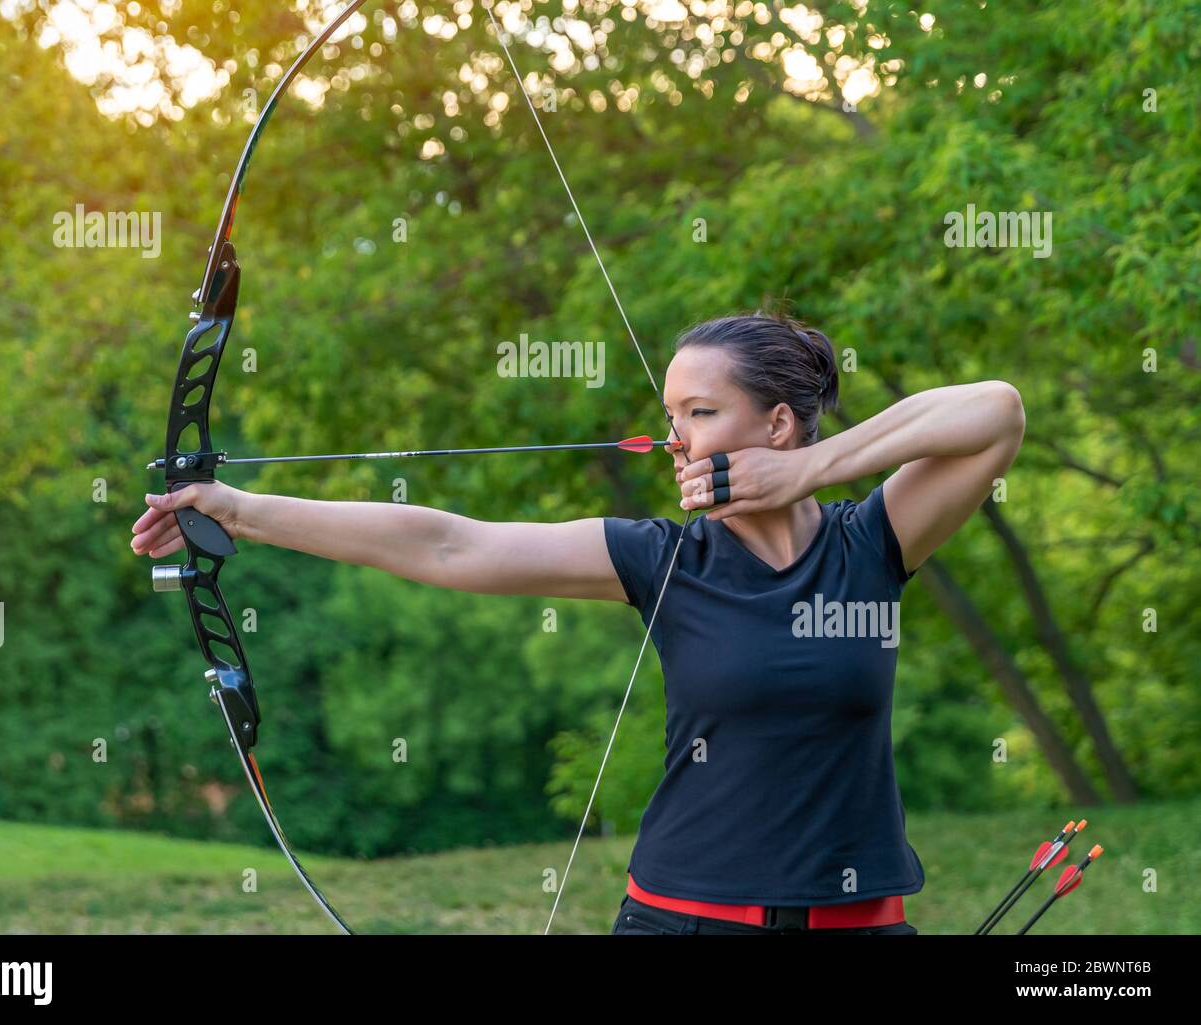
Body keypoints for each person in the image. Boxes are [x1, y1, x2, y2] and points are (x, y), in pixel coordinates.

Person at [131, 310, 1025, 934]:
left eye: (700, 415)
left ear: (780, 423)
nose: (674, 440)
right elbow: (450, 545)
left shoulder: (870, 542)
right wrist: (239, 510)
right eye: (670, 417)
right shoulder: (665, 558)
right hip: (683, 919)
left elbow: (995, 411)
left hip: (860, 920)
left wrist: (814, 471)